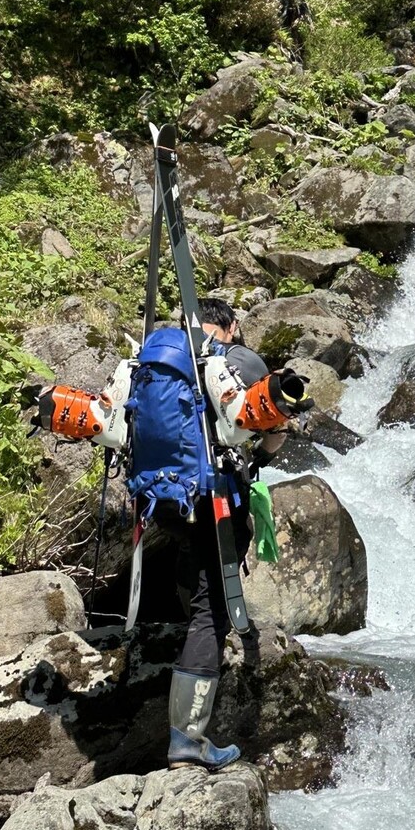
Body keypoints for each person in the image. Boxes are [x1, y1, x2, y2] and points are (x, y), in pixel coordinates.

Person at [161, 298, 311, 771]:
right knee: (211, 612)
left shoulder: (159, 359)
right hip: (214, 497)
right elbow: (272, 432)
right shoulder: (239, 359)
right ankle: (187, 738)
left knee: (193, 563)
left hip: (162, 497)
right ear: (232, 326)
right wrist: (260, 460)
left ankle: (183, 633)